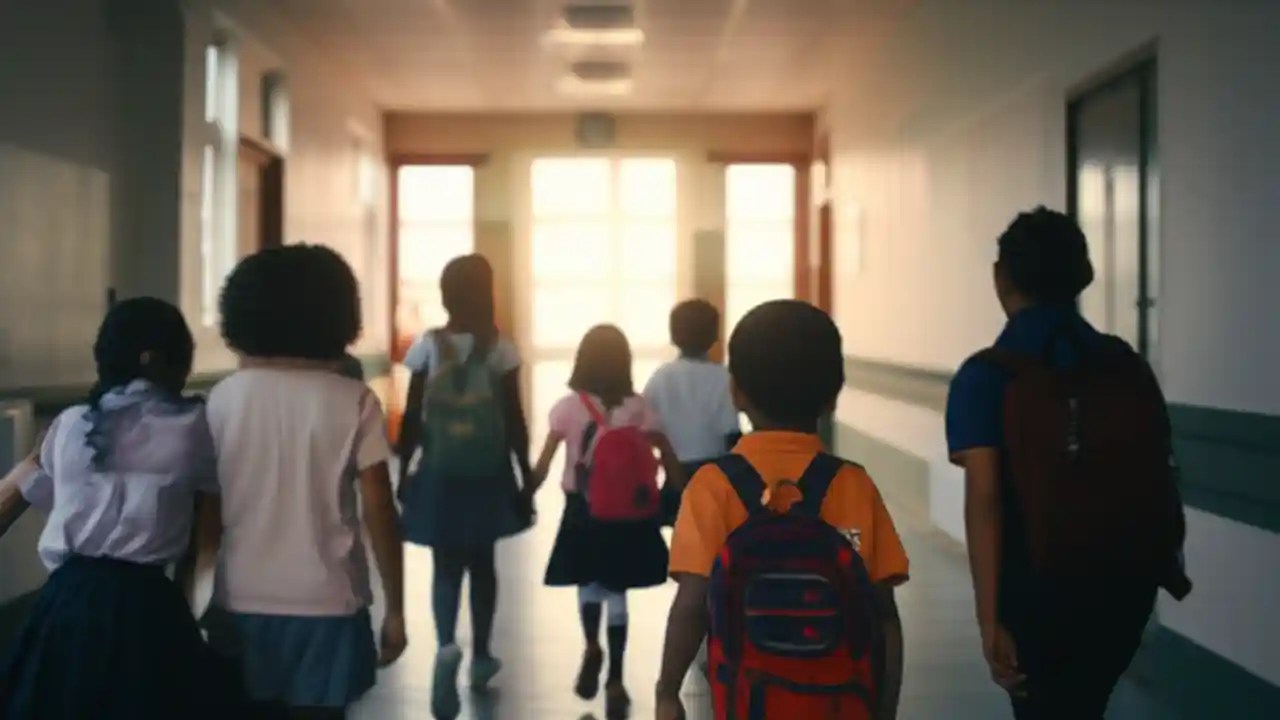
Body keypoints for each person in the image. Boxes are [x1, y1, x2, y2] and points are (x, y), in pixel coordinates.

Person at [946, 207, 1189, 719]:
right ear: (1084, 276)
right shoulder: (1124, 364)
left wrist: (989, 618)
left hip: (1037, 592)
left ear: (1000, 278)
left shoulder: (987, 375)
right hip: (1127, 588)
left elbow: (986, 501)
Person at [656, 300, 910, 720]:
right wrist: (883, 710)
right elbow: (883, 616)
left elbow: (692, 603)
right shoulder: (854, 485)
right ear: (834, 395)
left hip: (748, 703)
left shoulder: (713, 487)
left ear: (735, 391)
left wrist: (668, 690)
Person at [0, 297, 231, 719]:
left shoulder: (70, 424)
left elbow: (23, 488)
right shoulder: (195, 429)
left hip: (65, 601)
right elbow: (207, 541)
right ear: (155, 359)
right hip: (144, 604)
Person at [203, 244, 407, 719]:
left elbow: (206, 516)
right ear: (338, 315)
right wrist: (395, 608)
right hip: (328, 605)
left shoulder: (221, 400)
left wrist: (195, 594)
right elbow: (380, 509)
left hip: (239, 600)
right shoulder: (354, 400)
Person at [395, 253, 533, 719]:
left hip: (439, 470)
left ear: (445, 293)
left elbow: (413, 415)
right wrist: (524, 477)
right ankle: (481, 656)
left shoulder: (428, 346)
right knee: (483, 563)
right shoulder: (500, 347)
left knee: (445, 563)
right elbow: (515, 419)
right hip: (488, 472)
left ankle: (446, 645)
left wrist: (403, 471)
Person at [526, 324, 684, 719]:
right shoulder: (637, 407)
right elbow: (665, 450)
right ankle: (615, 677)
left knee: (589, 581)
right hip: (628, 512)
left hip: (582, 508)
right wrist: (677, 491)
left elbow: (543, 465)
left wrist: (522, 494)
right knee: (618, 589)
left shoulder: (568, 407)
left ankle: (591, 644)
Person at [643, 299, 741, 525]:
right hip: (713, 474)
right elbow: (731, 434)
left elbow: (645, 429)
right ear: (715, 336)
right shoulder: (724, 378)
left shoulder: (661, 377)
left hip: (673, 471)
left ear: (673, 336)